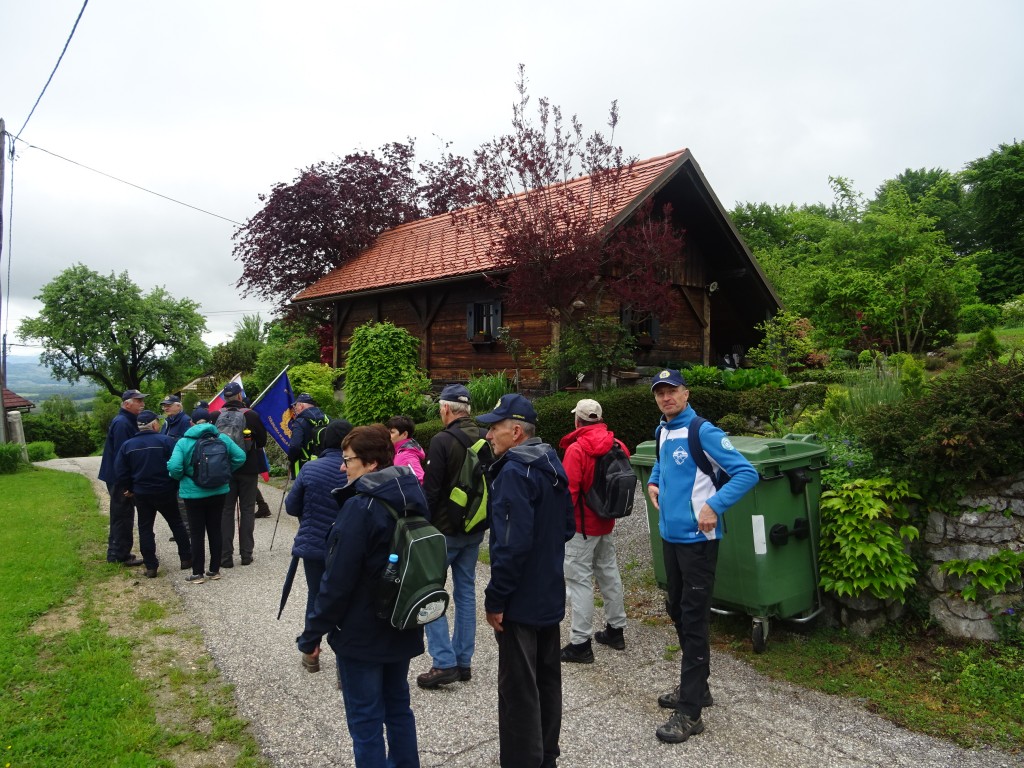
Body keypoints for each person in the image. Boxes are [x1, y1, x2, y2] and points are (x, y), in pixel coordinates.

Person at [296, 425, 426, 768]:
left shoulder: (361, 507)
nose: (343, 467)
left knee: (366, 717)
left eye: (348, 460)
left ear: (370, 464)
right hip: (403, 619)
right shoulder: (412, 497)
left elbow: (337, 582)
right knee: (398, 706)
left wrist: (312, 634)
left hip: (362, 630)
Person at [647, 368, 759, 744]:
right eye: (660, 393)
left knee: (694, 619)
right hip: (670, 536)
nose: (666, 398)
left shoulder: (702, 431)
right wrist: (653, 481)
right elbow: (663, 464)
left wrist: (714, 505)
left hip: (698, 541)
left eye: (672, 391)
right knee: (677, 608)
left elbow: (747, 473)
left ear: (686, 392)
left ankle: (691, 712)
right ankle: (698, 688)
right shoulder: (663, 429)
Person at [478, 394, 575, 768]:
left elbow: (510, 544)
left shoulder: (514, 472)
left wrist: (496, 598)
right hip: (549, 589)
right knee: (548, 680)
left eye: (494, 428)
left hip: (520, 596)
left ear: (515, 431)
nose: (488, 435)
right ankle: (546, 755)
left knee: (519, 690)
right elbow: (567, 526)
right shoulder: (551, 461)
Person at [415, 384, 490, 689]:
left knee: (429, 592)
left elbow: (431, 492)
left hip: (443, 532)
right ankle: (463, 661)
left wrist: (423, 528)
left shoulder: (442, 440)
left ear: (445, 409)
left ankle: (443, 662)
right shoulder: (486, 437)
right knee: (466, 593)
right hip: (474, 528)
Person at [559, 397, 630, 663]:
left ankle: (580, 643)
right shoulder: (618, 444)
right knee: (609, 574)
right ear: (599, 419)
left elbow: (569, 492)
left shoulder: (577, 450)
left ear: (578, 419)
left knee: (579, 582)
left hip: (581, 527)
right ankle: (615, 630)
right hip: (606, 523)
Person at [285, 419, 352, 622]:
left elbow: (291, 506)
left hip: (315, 542)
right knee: (349, 594)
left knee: (315, 593)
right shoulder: (359, 468)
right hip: (348, 544)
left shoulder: (310, 468)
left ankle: (311, 645)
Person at [168, 413, 247, 584]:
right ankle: (214, 570)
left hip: (192, 493)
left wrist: (184, 476)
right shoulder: (223, 439)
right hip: (218, 490)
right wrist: (225, 472)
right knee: (215, 529)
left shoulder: (183, 442)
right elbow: (240, 457)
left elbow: (174, 467)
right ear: (211, 423)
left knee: (196, 533)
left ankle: (197, 573)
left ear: (191, 423)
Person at [113, 410, 192, 578]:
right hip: (166, 490)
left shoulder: (128, 445)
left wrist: (129, 488)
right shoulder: (166, 441)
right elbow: (177, 464)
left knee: (145, 528)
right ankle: (186, 558)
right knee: (176, 523)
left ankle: (151, 566)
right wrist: (175, 483)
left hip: (141, 493)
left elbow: (121, 470)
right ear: (155, 425)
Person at [215, 381, 268, 568]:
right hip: (248, 468)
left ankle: (225, 557)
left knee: (226, 511)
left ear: (224, 398)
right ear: (239, 396)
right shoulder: (251, 415)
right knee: (247, 510)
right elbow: (262, 441)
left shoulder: (214, 415)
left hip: (224, 469)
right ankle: (246, 555)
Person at [97, 389, 149, 566]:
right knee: (122, 515)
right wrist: (127, 483)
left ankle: (119, 552)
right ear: (127, 403)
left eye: (142, 401)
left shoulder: (127, 420)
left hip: (119, 476)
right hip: (118, 477)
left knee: (124, 514)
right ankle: (118, 554)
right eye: (138, 401)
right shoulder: (122, 423)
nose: (142, 404)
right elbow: (123, 454)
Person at [287, 393, 329, 477]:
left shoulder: (299, 422)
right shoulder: (327, 419)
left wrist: (291, 458)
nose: (295, 409)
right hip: (325, 465)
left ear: (301, 406)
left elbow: (295, 446)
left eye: (296, 406)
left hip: (304, 468)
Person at [386, 415, 426, 484]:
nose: (388, 435)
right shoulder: (399, 452)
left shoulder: (406, 455)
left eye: (392, 432)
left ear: (404, 434)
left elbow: (420, 481)